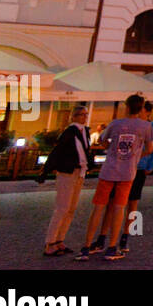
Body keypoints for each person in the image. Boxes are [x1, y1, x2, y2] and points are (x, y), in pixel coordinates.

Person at [75, 94, 152, 262]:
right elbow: (150, 148)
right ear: (141, 108)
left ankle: (86, 247)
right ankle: (112, 247)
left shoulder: (116, 123)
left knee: (98, 208)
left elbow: (103, 141)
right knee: (119, 209)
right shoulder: (146, 127)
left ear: (127, 106)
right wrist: (135, 155)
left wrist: (112, 149)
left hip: (108, 171)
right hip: (127, 173)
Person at [39, 105, 93, 257]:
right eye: (82, 114)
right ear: (74, 116)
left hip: (79, 171)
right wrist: (46, 171)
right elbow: (57, 152)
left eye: (85, 114)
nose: (85, 117)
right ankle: (50, 242)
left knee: (71, 208)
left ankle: (59, 240)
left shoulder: (84, 132)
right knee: (62, 207)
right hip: (67, 172)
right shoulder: (69, 132)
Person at [120, 100, 153, 254]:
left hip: (140, 167)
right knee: (118, 202)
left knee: (133, 202)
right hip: (126, 167)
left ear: (148, 112)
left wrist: (150, 166)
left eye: (142, 110)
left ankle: (127, 234)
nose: (139, 113)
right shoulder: (132, 124)